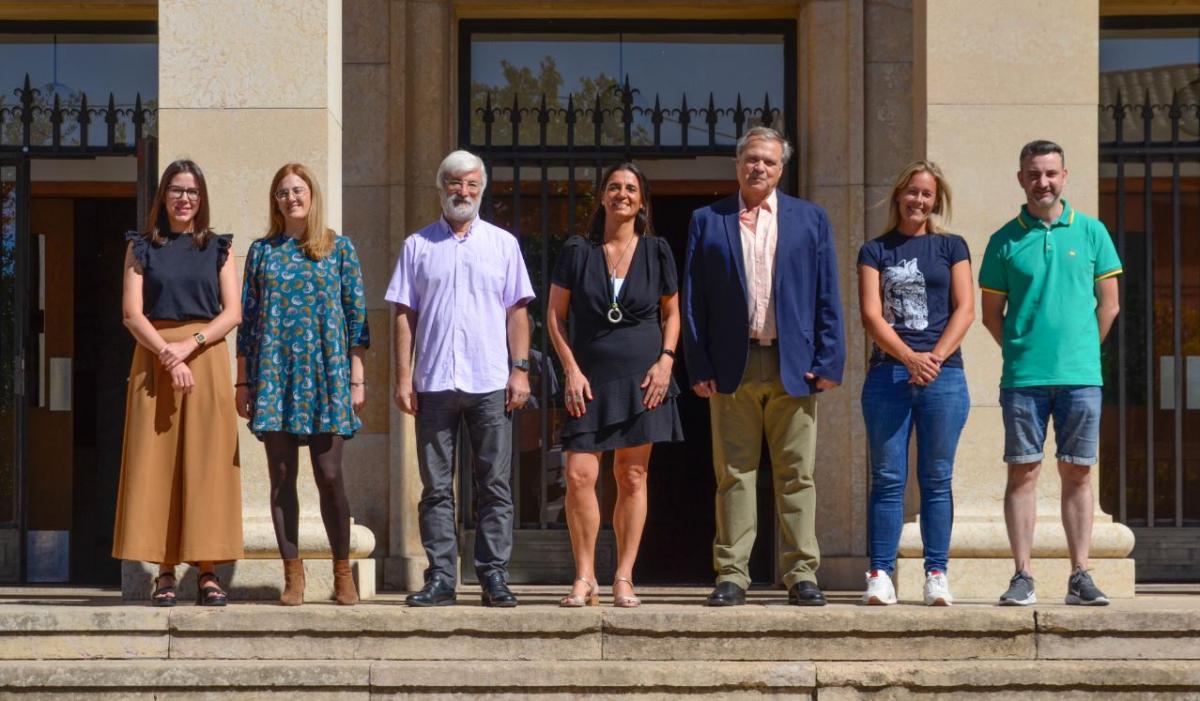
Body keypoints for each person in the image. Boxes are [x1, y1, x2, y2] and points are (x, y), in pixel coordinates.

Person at [682, 126, 845, 607]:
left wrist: (829, 359)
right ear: (737, 164)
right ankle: (732, 573)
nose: (760, 168)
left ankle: (800, 573)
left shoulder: (810, 219)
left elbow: (827, 295)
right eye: (752, 159)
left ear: (781, 169)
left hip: (793, 364)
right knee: (734, 473)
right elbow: (693, 302)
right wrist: (699, 365)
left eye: (769, 162)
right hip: (732, 366)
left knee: (798, 474)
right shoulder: (707, 220)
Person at [387, 150, 535, 608]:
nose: (463, 191)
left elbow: (517, 312)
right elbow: (403, 316)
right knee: (435, 488)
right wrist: (402, 377)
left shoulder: (503, 245)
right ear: (441, 188)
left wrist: (520, 369)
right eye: (454, 183)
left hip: (490, 380)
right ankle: (442, 578)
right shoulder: (417, 246)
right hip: (432, 382)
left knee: (494, 485)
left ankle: (493, 577)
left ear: (482, 189)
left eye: (471, 184)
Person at [980, 140, 1122, 607]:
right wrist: (1021, 351)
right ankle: (1022, 575)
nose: (1043, 182)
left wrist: (1082, 352)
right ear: (1021, 178)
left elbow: (1110, 305)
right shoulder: (1004, 240)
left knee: (1078, 473)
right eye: (1034, 174)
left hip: (1082, 377)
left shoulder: (1093, 233)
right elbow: (991, 314)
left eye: (1051, 173)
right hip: (1023, 379)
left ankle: (1081, 574)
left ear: (1065, 176)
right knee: (1023, 472)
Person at [546, 162, 683, 608]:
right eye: (614, 187)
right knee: (579, 475)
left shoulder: (658, 250)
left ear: (642, 201)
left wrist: (666, 362)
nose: (622, 194)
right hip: (587, 380)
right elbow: (554, 316)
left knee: (632, 475)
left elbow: (672, 314)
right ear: (602, 197)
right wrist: (570, 369)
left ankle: (624, 576)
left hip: (645, 380)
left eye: (631, 188)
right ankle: (585, 576)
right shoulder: (577, 251)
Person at [236, 163, 369, 606]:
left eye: (298, 190)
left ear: (311, 194)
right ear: (275, 201)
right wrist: (244, 381)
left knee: (329, 476)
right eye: (282, 192)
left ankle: (341, 570)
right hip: (274, 377)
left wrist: (356, 377)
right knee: (280, 477)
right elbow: (249, 320)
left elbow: (357, 318)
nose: (291, 198)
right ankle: (292, 573)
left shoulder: (338, 248)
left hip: (327, 377)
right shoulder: (262, 252)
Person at [113, 159, 243, 607]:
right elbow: (132, 313)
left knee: (206, 465)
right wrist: (169, 355)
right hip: (154, 359)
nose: (184, 198)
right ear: (163, 196)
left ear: (201, 198)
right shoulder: (141, 247)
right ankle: (164, 572)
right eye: (175, 189)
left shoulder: (219, 247)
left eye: (191, 191)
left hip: (205, 359)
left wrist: (189, 347)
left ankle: (207, 570)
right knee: (159, 467)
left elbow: (233, 313)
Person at [857, 161, 974, 606]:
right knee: (887, 478)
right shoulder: (875, 250)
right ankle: (881, 574)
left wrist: (933, 359)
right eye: (912, 192)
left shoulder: (952, 246)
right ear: (898, 196)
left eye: (927, 194)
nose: (918, 201)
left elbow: (965, 310)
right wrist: (908, 357)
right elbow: (871, 315)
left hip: (944, 377)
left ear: (935, 201)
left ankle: (936, 574)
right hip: (888, 375)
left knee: (937, 478)